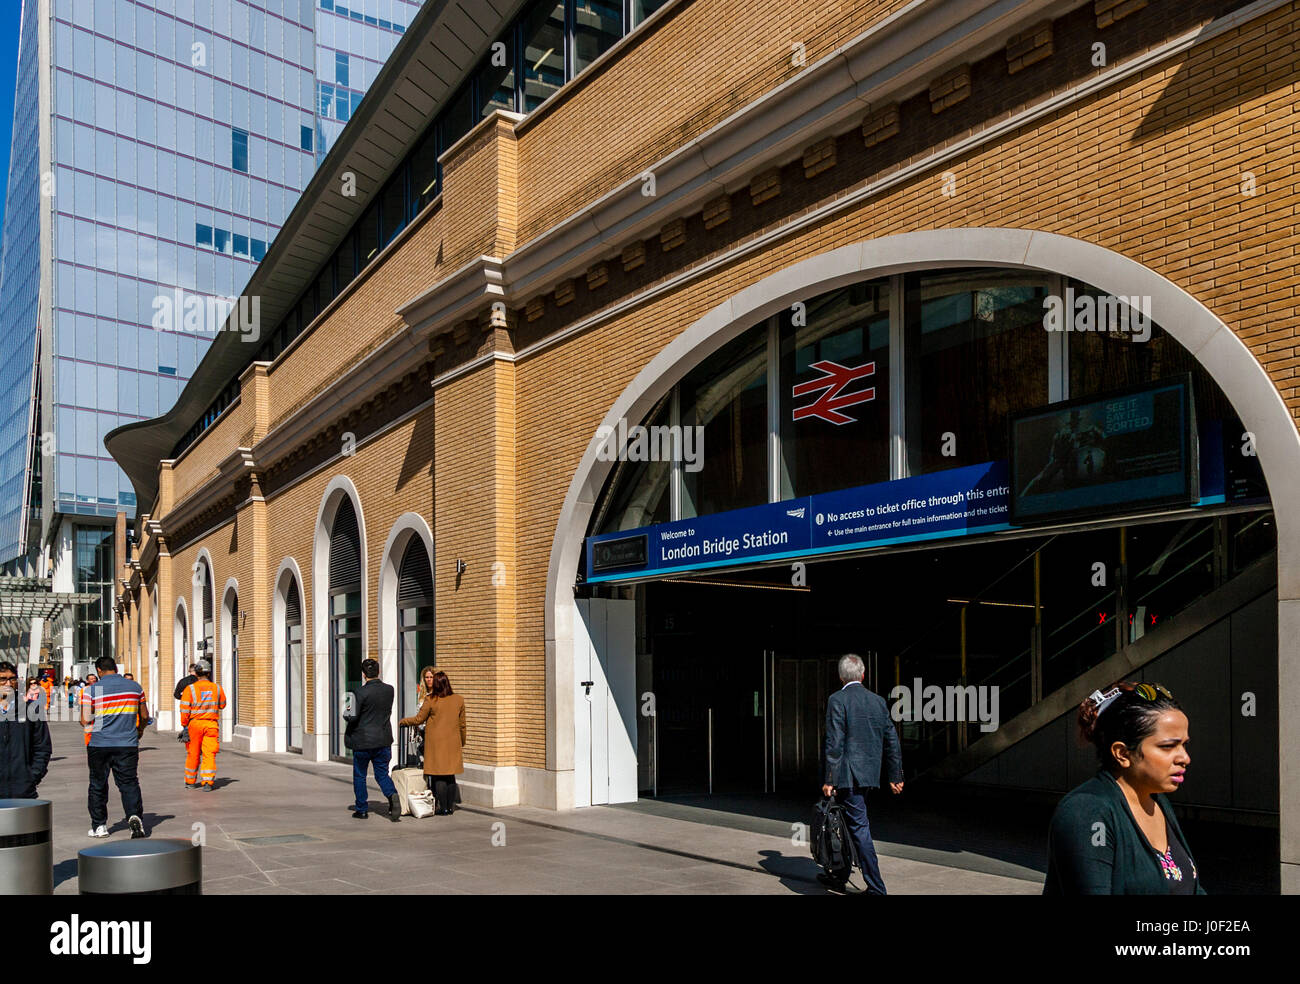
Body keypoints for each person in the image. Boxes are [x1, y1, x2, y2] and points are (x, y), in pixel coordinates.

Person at [1044, 681, 1202, 894]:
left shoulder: (1156, 801)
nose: (1185, 758)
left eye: (1184, 744)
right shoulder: (1087, 812)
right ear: (1123, 753)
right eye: (1168, 746)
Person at [820, 653, 903, 895]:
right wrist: (895, 775)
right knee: (847, 826)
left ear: (840, 676)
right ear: (863, 675)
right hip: (868, 776)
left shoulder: (837, 699)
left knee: (858, 828)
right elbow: (892, 740)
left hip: (847, 776)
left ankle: (877, 888)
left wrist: (829, 779)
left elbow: (835, 743)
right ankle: (839, 877)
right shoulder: (877, 701)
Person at [81, 656, 149, 839]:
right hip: (127, 744)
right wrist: (139, 731)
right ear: (116, 669)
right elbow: (144, 716)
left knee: (97, 784)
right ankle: (134, 815)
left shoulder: (92, 690)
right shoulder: (135, 687)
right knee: (129, 782)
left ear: (99, 671)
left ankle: (99, 826)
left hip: (99, 744)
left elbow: (85, 720)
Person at [400, 670, 465, 816]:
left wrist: (404, 721)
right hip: (453, 743)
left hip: (436, 744)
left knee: (438, 775)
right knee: (450, 775)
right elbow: (462, 725)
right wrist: (462, 741)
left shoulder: (431, 699)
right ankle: (450, 807)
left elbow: (419, 719)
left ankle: (443, 808)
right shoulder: (458, 699)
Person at [343, 657, 401, 821]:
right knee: (382, 773)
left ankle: (361, 809)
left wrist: (346, 709)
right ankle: (392, 795)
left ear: (363, 674)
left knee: (360, 775)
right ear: (378, 672)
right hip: (383, 740)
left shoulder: (358, 693)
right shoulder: (389, 690)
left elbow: (350, 717)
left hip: (362, 741)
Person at [0, 661, 51, 799]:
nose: (8, 684)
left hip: (22, 789)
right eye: (2, 679)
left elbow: (43, 747)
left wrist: (33, 776)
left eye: (12, 679)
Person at [180, 660, 226, 790]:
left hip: (194, 725)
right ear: (209, 672)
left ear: (197, 674)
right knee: (209, 753)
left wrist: (184, 725)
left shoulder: (190, 689)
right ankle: (207, 782)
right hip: (211, 724)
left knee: (193, 753)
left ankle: (190, 781)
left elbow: (184, 710)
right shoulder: (217, 688)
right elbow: (222, 704)